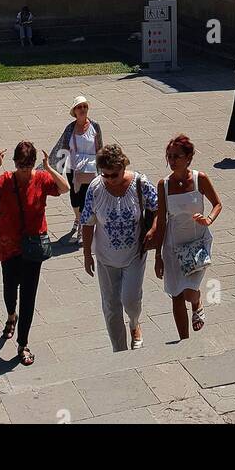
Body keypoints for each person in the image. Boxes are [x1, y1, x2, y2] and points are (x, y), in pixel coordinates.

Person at [0, 140, 68, 367]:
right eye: (21, 165)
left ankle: (23, 343)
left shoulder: (42, 179)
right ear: (15, 163)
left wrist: (48, 167)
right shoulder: (7, 180)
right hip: (9, 246)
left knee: (28, 296)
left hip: (33, 247)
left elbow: (65, 188)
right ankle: (10, 316)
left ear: (34, 163)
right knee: (9, 289)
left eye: (28, 165)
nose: (25, 169)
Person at [80, 144, 158, 352]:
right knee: (111, 308)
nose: (110, 179)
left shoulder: (140, 183)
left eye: (114, 174)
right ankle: (119, 351)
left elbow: (158, 207)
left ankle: (134, 323)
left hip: (134, 254)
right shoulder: (96, 188)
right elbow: (87, 222)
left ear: (124, 166)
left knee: (130, 300)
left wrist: (153, 230)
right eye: (105, 174)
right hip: (106, 258)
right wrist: (87, 254)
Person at [153, 135, 222, 339]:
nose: (172, 161)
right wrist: (158, 255)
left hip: (197, 242)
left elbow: (217, 204)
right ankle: (184, 340)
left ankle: (197, 301)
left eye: (177, 156)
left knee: (189, 292)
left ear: (189, 157)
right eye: (169, 156)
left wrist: (208, 219)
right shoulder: (163, 185)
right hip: (173, 245)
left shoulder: (200, 178)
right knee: (175, 295)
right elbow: (163, 220)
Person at [50, 95, 103, 242]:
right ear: (74, 111)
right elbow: (63, 148)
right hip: (73, 169)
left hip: (90, 169)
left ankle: (83, 225)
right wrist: (56, 171)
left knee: (87, 199)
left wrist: (103, 168)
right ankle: (78, 218)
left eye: (85, 106)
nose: (83, 109)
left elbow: (100, 147)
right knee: (75, 199)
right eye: (79, 107)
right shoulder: (70, 128)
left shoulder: (95, 126)